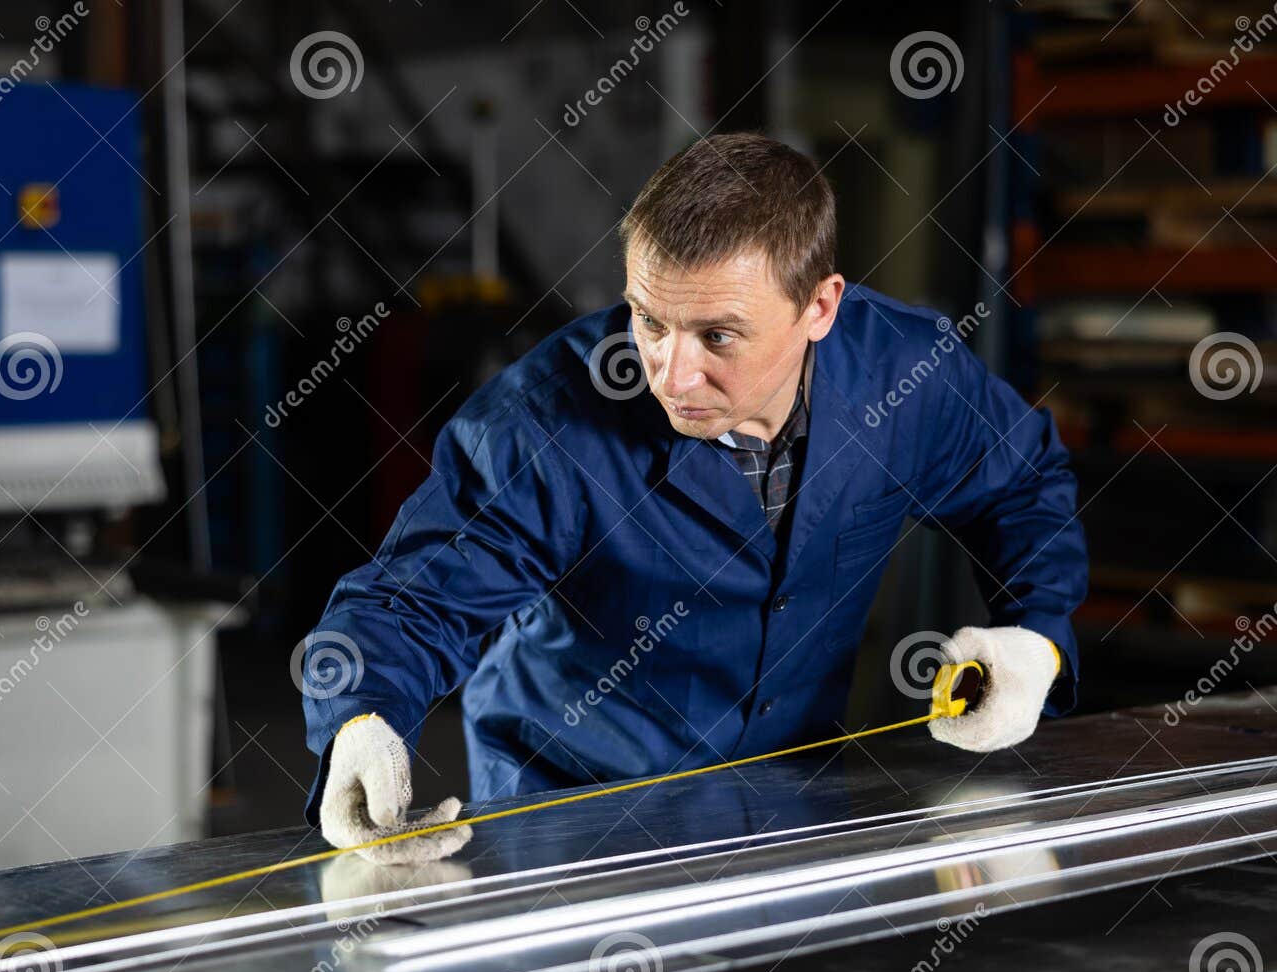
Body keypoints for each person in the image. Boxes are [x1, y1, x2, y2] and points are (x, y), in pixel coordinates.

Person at [296, 132, 1087, 865]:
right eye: (650, 321)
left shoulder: (906, 382)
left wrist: (1037, 639)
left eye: (718, 336)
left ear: (819, 306)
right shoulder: (548, 426)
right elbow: (412, 602)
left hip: (793, 804)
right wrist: (359, 723)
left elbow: (1022, 485)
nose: (671, 377)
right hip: (573, 814)